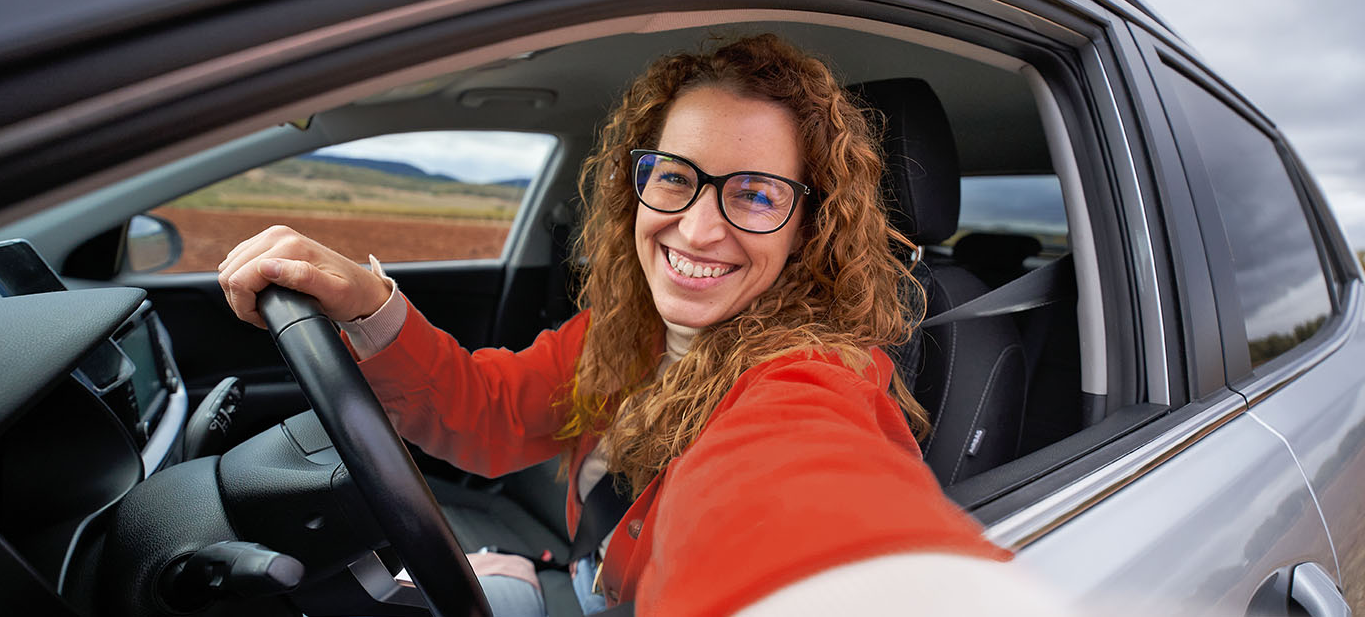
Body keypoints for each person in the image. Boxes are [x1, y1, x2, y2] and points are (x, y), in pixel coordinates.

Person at [218, 34, 1032, 616]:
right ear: (636, 185)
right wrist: (368, 299)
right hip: (578, 577)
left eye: (753, 193)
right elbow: (487, 412)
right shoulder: (623, 331)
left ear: (807, 225)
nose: (698, 229)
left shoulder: (811, 375)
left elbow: (799, 508)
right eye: (675, 177)